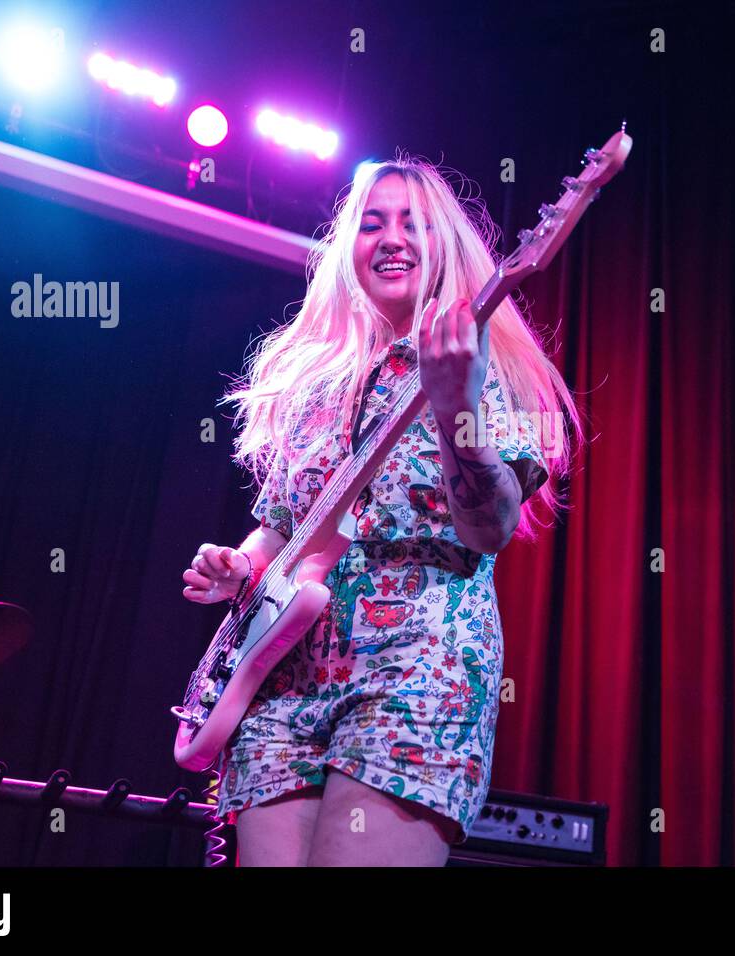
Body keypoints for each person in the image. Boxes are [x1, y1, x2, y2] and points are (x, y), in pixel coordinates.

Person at [181, 154, 582, 865]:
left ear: (448, 247)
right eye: (372, 224)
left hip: (416, 676)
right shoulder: (312, 381)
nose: (390, 238)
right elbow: (282, 525)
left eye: (413, 223)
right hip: (279, 685)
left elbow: (489, 528)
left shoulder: (490, 366)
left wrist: (457, 400)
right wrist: (240, 565)